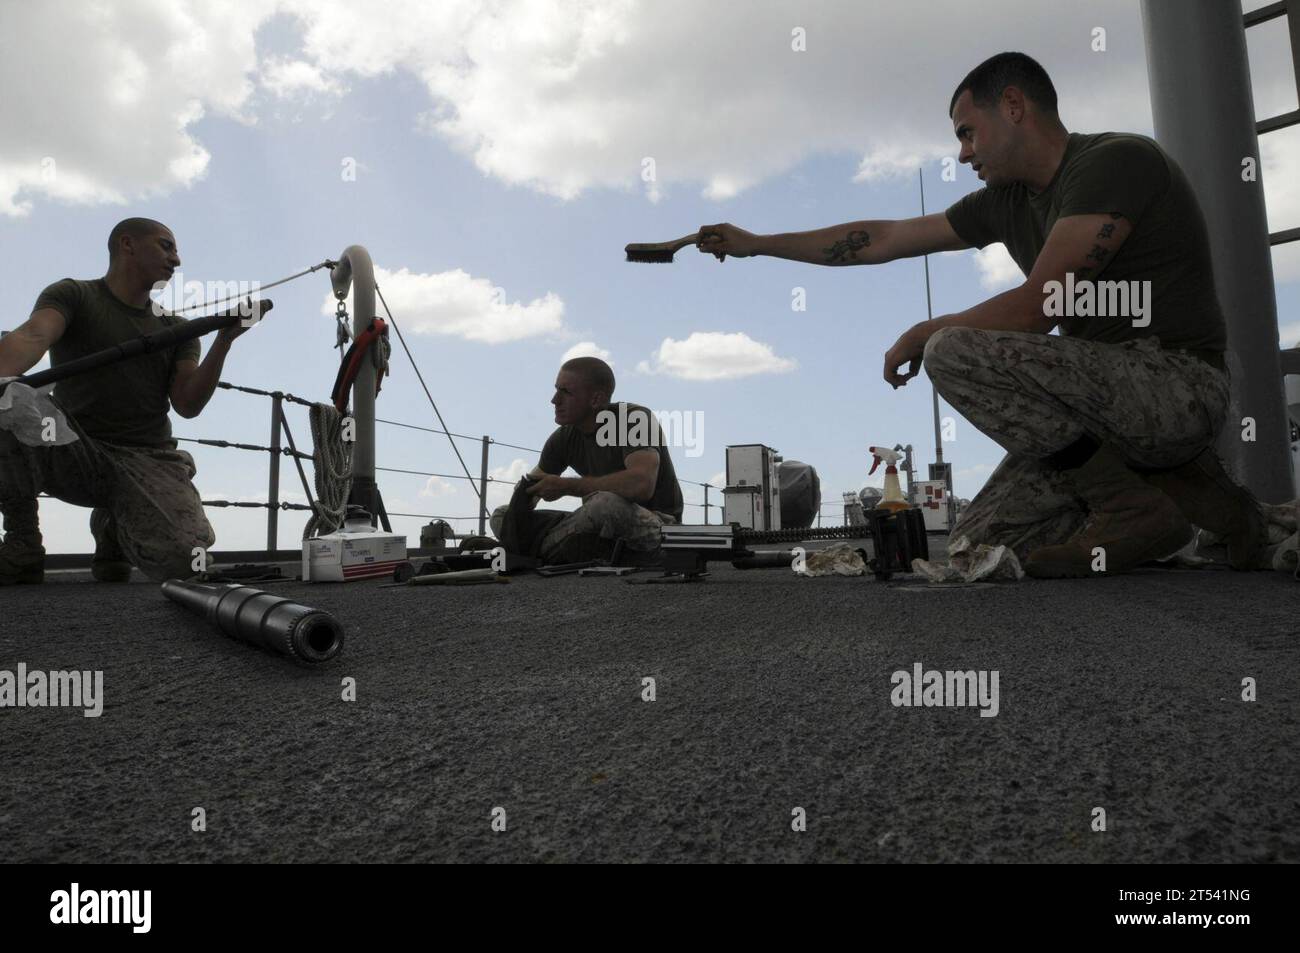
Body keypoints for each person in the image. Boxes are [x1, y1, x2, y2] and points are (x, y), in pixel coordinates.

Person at [691, 51, 1264, 578]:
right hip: (1098, 409)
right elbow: (882, 238)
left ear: (1014, 106)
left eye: (968, 133)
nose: (963, 153)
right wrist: (758, 243)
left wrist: (922, 330)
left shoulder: (1116, 161)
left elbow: (1043, 305)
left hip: (1176, 386)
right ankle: (1185, 498)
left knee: (951, 350)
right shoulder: (1005, 202)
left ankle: (1129, 502)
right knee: (980, 542)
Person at [0, 217, 258, 584]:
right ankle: (22, 546)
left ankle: (113, 530)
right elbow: (33, 335)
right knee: (7, 397)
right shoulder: (72, 294)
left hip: (147, 458)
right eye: (166, 246)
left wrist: (224, 340)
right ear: (127, 244)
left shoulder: (178, 330)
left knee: (187, 560)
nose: (177, 260)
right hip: (75, 451)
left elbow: (187, 404)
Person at [490, 356, 683, 565]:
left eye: (566, 392)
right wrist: (522, 501)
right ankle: (562, 550)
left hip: (658, 528)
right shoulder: (563, 438)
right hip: (598, 526)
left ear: (596, 400)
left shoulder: (634, 419)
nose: (554, 400)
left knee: (604, 504)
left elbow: (642, 483)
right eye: (556, 390)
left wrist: (566, 486)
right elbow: (533, 486)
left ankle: (531, 554)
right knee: (502, 515)